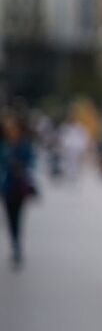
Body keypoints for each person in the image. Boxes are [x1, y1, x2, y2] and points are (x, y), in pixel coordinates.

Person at [1, 108, 37, 268]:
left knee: (18, 216)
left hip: (20, 186)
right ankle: (14, 242)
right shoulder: (4, 145)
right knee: (10, 217)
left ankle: (17, 244)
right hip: (7, 186)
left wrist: (21, 168)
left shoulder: (25, 144)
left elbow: (31, 162)